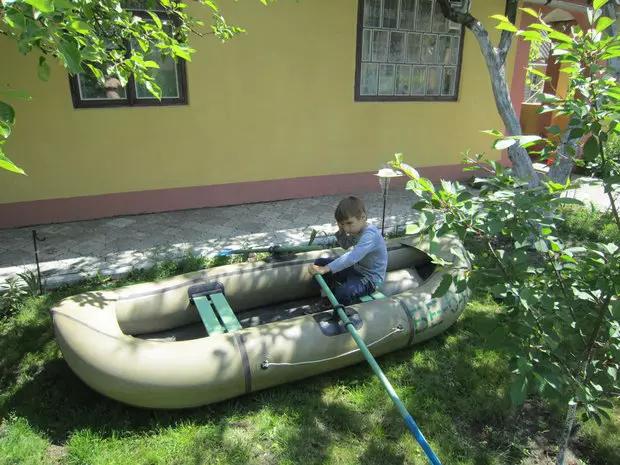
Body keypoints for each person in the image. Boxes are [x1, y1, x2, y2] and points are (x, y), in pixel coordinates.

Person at [307, 196, 388, 310]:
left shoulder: (370, 236)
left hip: (370, 278)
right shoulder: (356, 229)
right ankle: (326, 299)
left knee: (344, 292)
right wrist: (341, 231)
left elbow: (352, 257)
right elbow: (345, 246)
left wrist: (325, 269)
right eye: (343, 224)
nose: (347, 228)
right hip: (356, 269)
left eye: (349, 223)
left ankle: (335, 307)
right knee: (320, 262)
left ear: (363, 217)